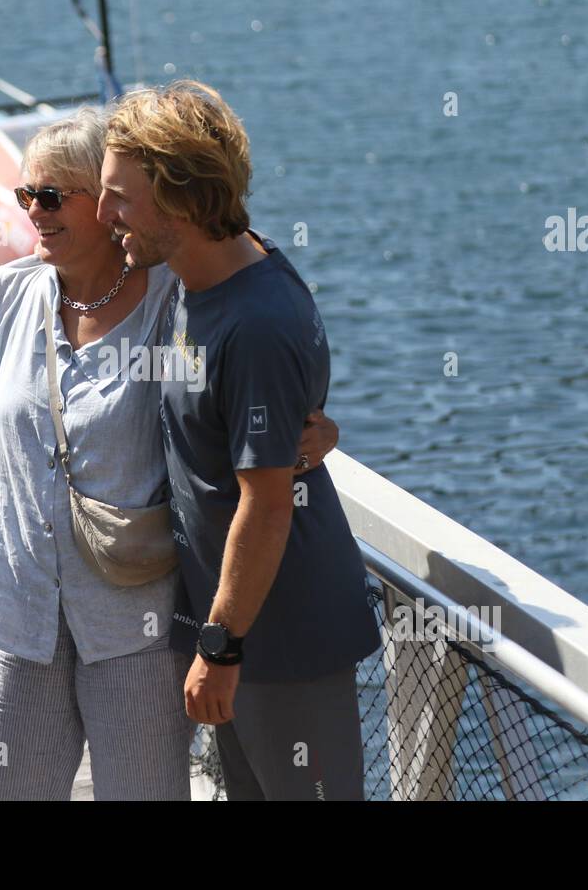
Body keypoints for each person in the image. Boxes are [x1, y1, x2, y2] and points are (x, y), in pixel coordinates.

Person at [0, 108, 340, 800]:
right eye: (25, 195)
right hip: (24, 611)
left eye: (52, 196)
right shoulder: (5, 296)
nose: (34, 213)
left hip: (136, 621)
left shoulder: (176, 300)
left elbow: (256, 353)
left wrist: (312, 434)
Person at [99, 80, 380, 801]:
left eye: (121, 199)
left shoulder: (254, 323)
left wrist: (221, 646)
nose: (106, 216)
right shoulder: (204, 280)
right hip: (241, 637)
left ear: (182, 201)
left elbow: (268, 503)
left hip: (281, 639)